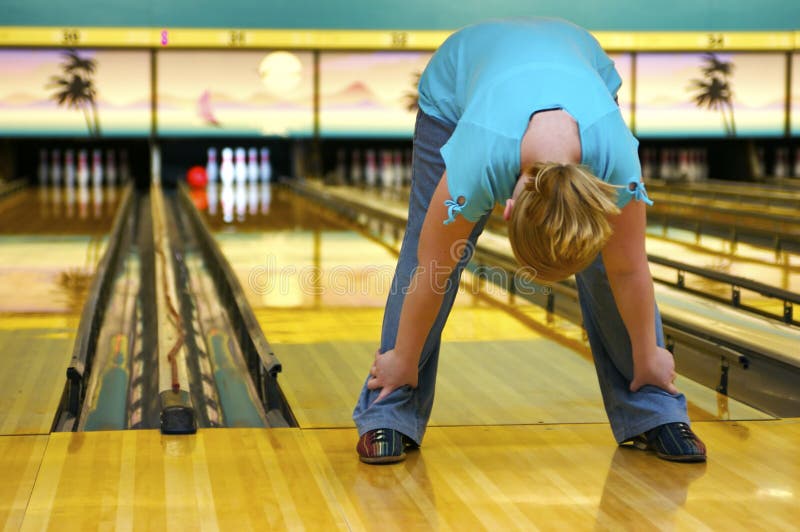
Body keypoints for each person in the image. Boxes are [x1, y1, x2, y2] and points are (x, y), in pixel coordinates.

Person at [352, 17, 706, 464]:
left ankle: (653, 404)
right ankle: (389, 406)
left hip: (581, 65)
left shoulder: (615, 159)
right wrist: (403, 358)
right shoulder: (476, 163)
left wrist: (650, 353)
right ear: (505, 207)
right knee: (432, 246)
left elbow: (629, 267)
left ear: (508, 208)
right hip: (456, 84)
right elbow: (431, 268)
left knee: (608, 259)